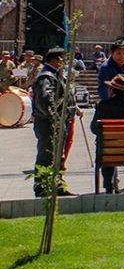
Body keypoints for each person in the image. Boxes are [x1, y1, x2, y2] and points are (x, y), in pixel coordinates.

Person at [31, 47, 76, 197]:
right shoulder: (46, 77)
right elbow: (45, 100)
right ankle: (43, 188)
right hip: (48, 124)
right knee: (46, 155)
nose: (65, 62)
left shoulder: (55, 75)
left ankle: (57, 185)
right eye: (63, 59)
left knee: (57, 156)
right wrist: (55, 119)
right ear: (54, 60)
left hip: (57, 122)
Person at [90, 74, 124, 193]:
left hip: (108, 151)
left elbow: (94, 128)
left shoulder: (102, 105)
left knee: (106, 151)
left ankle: (109, 187)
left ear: (112, 90)